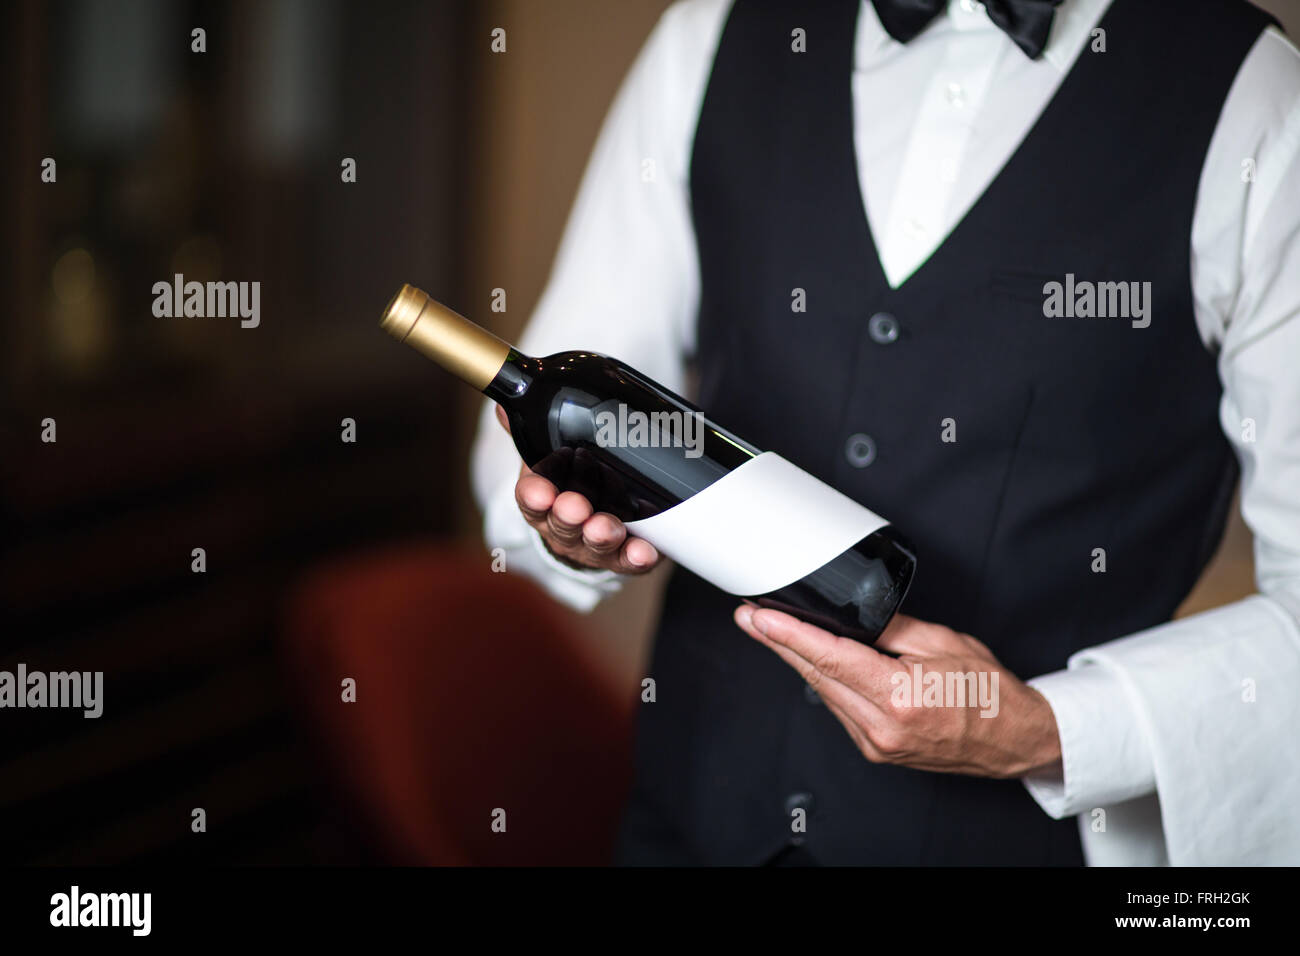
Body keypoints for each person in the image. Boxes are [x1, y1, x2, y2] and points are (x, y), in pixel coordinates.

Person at [471, 0, 1300, 865]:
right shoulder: (713, 33)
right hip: (690, 820)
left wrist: (1053, 732)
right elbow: (539, 420)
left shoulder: (1257, 99)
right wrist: (572, 530)